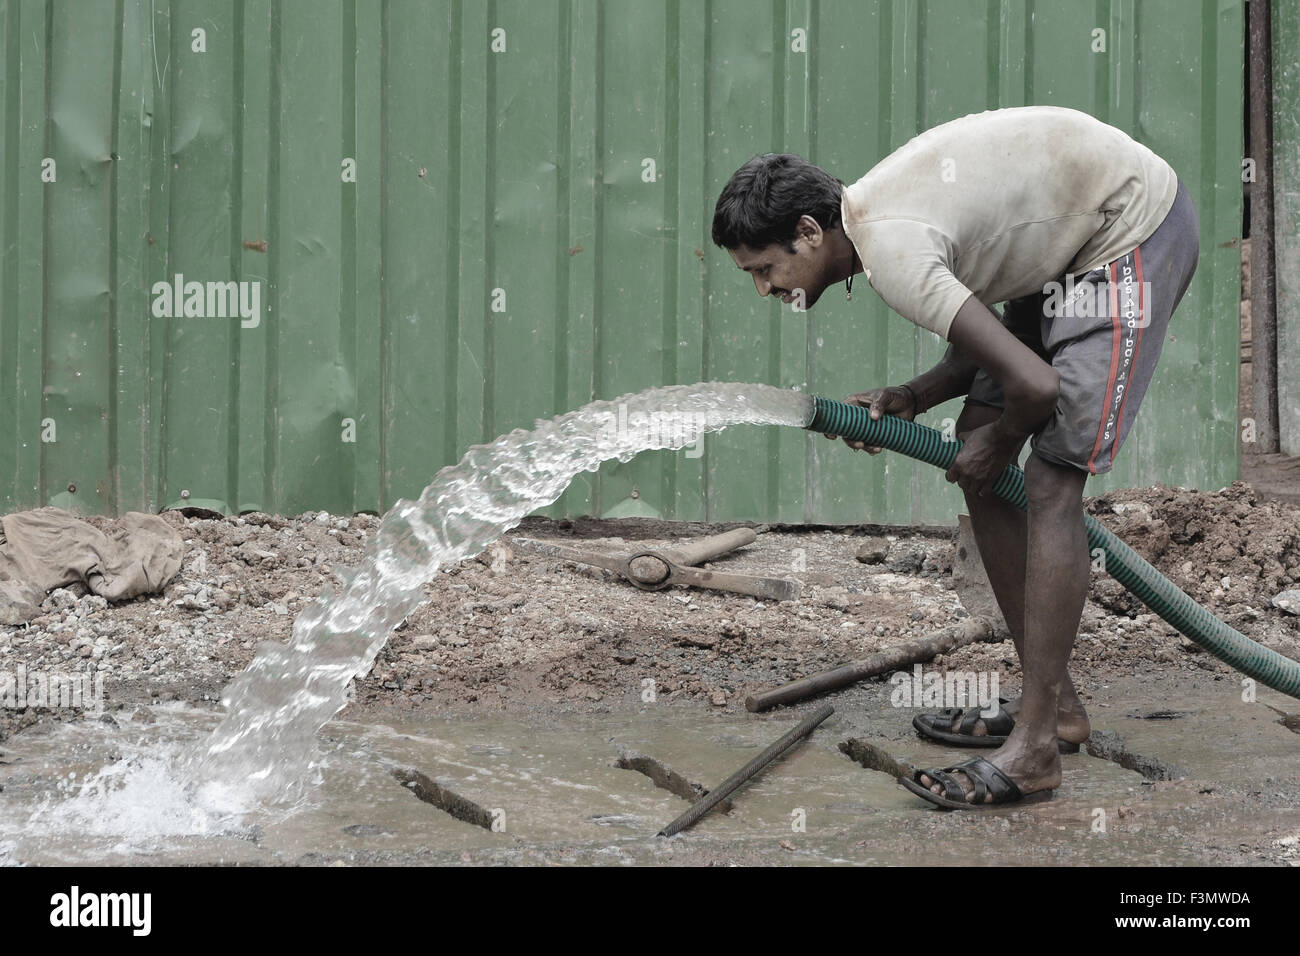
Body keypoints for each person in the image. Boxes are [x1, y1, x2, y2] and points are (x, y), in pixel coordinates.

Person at [710, 105, 1200, 808]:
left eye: (764, 268)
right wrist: (916, 394)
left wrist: (1001, 442)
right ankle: (1054, 708)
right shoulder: (876, 220)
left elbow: (1034, 386)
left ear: (810, 233)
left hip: (1128, 230)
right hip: (1063, 238)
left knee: (1049, 478)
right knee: (982, 447)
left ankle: (1033, 752)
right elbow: (988, 341)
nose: (764, 289)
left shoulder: (893, 253)